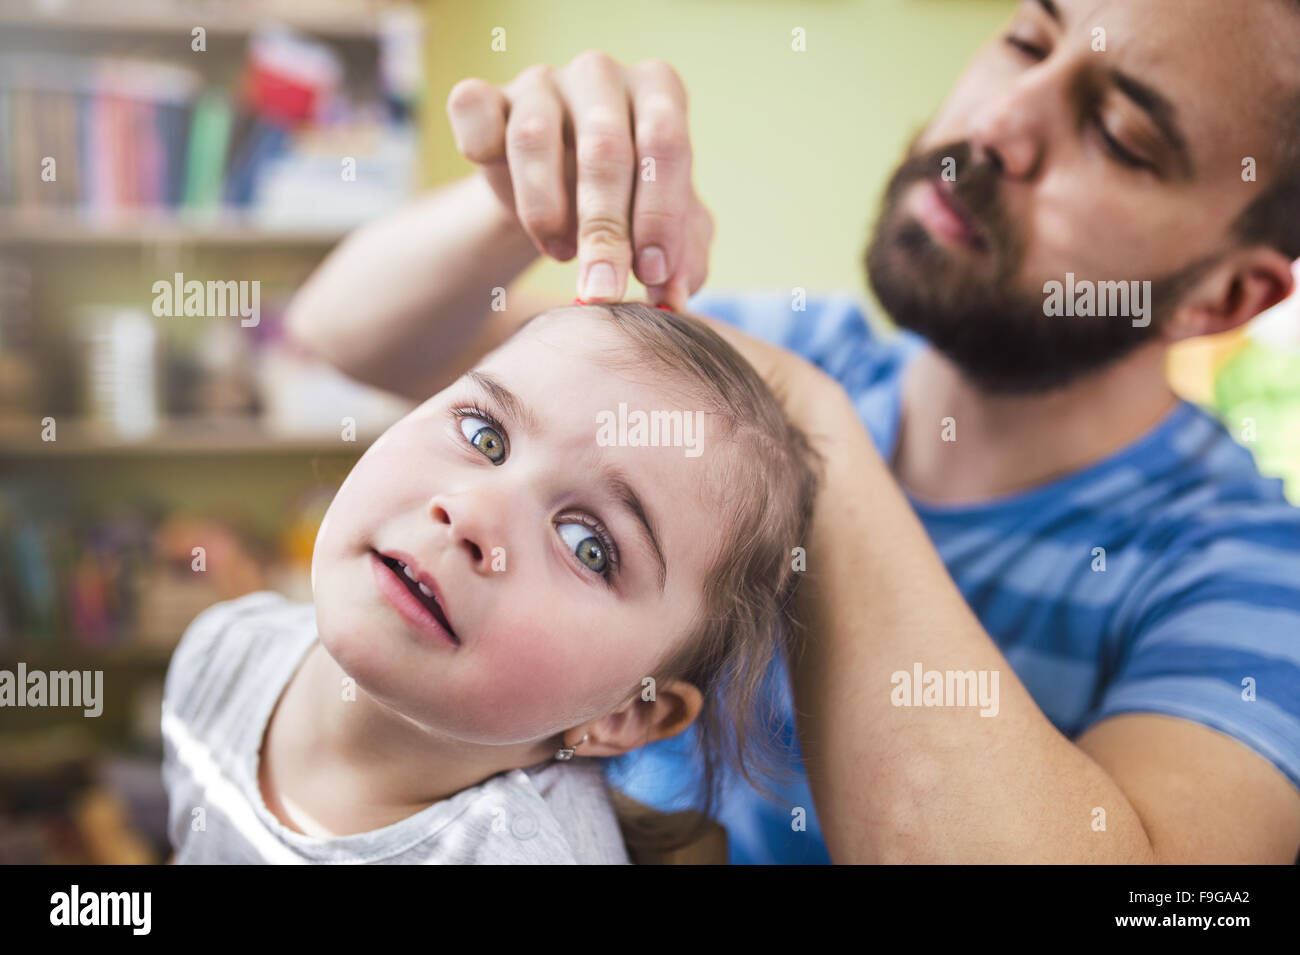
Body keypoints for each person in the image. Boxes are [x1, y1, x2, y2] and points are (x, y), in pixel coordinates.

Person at [284, 0, 1300, 863]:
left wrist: (813, 426)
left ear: (1224, 293)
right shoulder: (789, 344)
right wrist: (521, 201)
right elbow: (348, 333)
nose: (998, 123)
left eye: (1120, 135)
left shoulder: (1253, 582)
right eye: (1028, 41)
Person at [161, 302, 818, 863]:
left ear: (627, 712)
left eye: (588, 545)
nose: (473, 512)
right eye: (486, 435)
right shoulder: (222, 650)